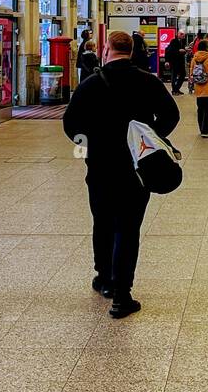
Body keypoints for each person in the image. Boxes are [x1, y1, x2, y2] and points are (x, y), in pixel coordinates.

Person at [62, 30, 179, 319]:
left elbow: (71, 124)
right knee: (128, 228)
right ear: (132, 50)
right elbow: (171, 115)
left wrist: (89, 145)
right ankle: (122, 295)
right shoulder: (147, 81)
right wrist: (148, 139)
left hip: (100, 167)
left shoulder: (90, 85)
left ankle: (103, 278)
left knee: (102, 221)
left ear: (106, 50)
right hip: (136, 169)